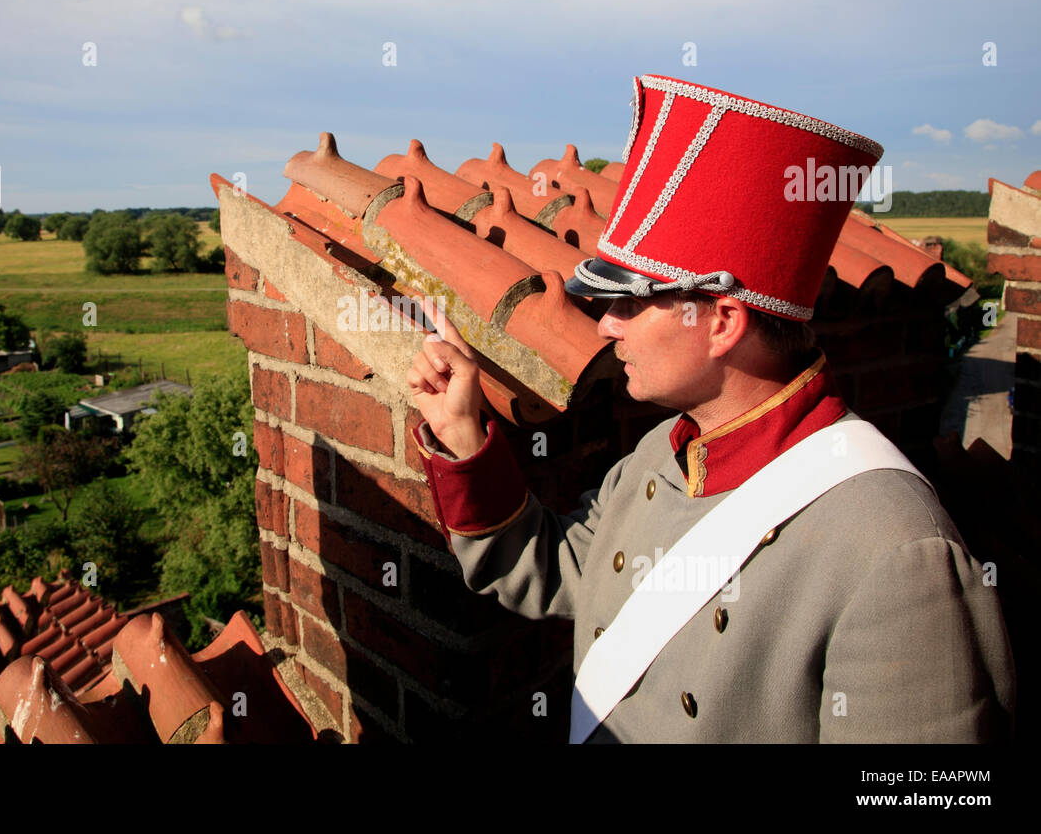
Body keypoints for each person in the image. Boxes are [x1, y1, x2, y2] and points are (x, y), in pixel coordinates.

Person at [405, 74, 1016, 743]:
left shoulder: (901, 554)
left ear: (722, 321)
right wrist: (464, 438)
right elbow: (555, 572)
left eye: (632, 301)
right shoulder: (661, 453)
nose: (607, 325)